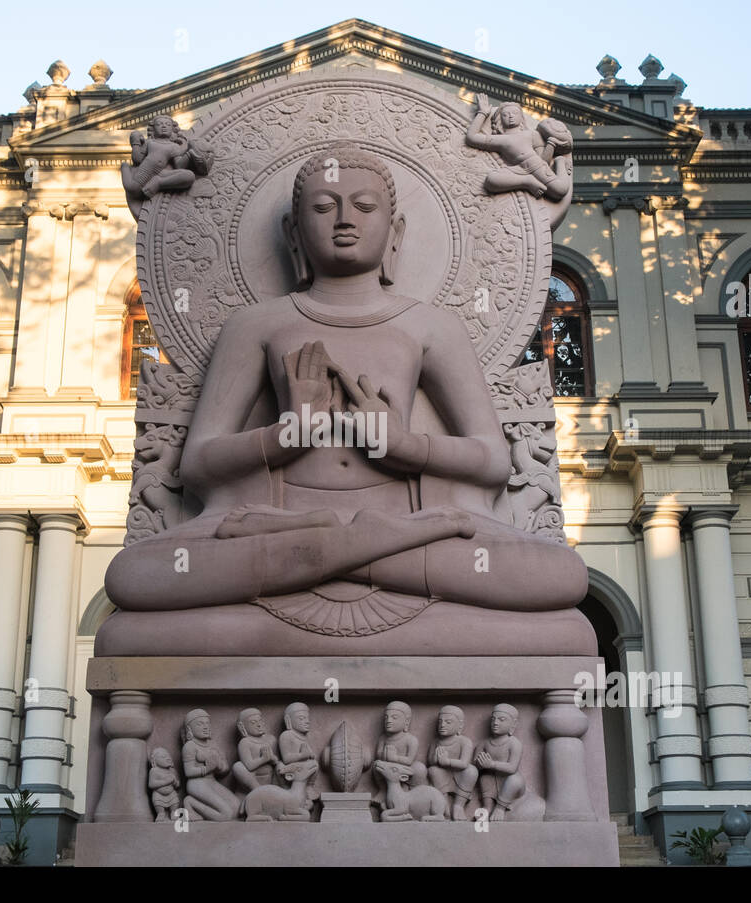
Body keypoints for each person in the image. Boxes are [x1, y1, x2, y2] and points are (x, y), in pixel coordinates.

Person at [105, 145, 587, 615]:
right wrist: (288, 434)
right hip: (289, 522)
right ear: (293, 232)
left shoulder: (432, 327)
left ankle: (328, 554)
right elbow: (199, 465)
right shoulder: (254, 326)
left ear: (394, 231)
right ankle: (363, 550)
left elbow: (492, 460)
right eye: (322, 206)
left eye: (363, 206)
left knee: (559, 575)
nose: (344, 219)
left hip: (394, 519)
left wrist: (404, 445)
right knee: (134, 576)